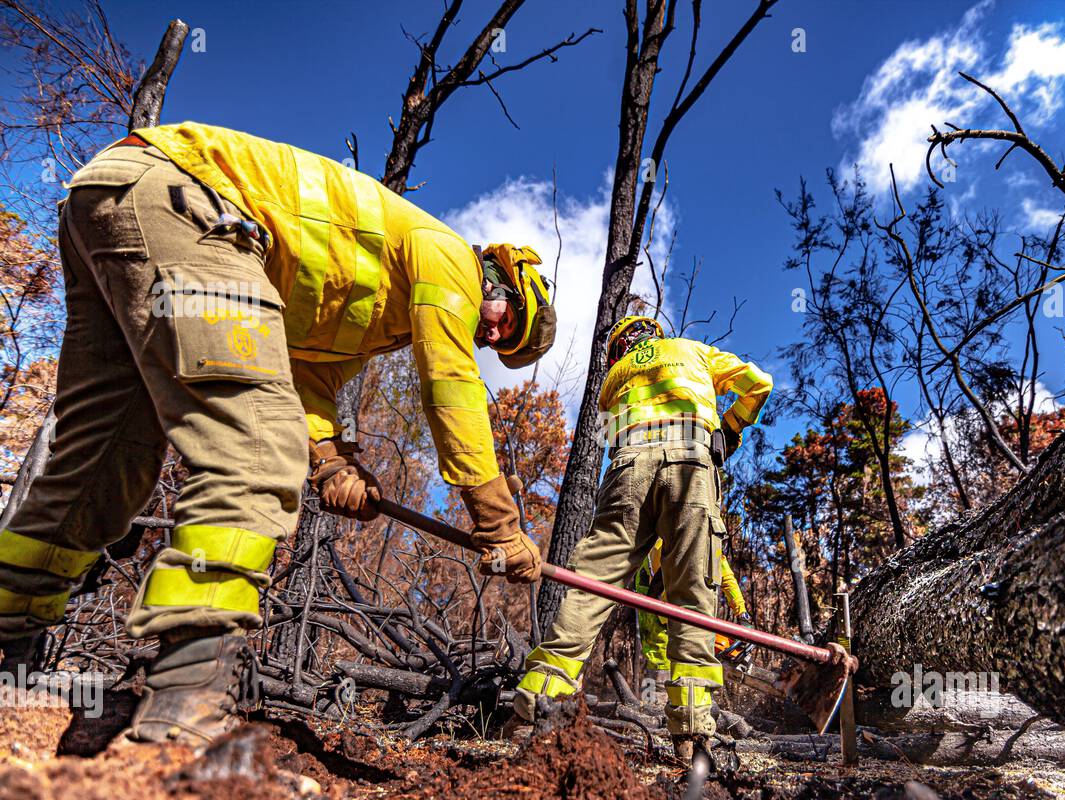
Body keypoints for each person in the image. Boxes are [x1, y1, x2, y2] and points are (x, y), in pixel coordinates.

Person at [0, 122, 554, 745]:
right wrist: (501, 525)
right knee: (256, 447)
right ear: (504, 285)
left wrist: (334, 463)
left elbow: (310, 383)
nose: (493, 339)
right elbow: (451, 390)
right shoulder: (452, 260)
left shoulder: (373, 313)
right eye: (506, 327)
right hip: (189, 201)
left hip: (115, 199)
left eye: (502, 344)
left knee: (106, 460)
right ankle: (183, 706)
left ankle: (7, 647)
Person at [510, 313, 771, 764]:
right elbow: (758, 382)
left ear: (620, 347)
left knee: (592, 585)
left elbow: (613, 438)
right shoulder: (692, 352)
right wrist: (727, 431)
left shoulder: (614, 377)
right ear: (655, 334)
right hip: (692, 465)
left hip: (628, 468)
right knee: (692, 593)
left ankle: (533, 709)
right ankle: (691, 733)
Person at [634, 538, 750, 704]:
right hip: (652, 595)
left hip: (678, 598)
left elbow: (727, 577)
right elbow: (658, 591)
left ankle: (695, 703)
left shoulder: (710, 548)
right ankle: (655, 704)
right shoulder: (667, 545)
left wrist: (742, 613)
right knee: (659, 657)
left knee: (698, 647)